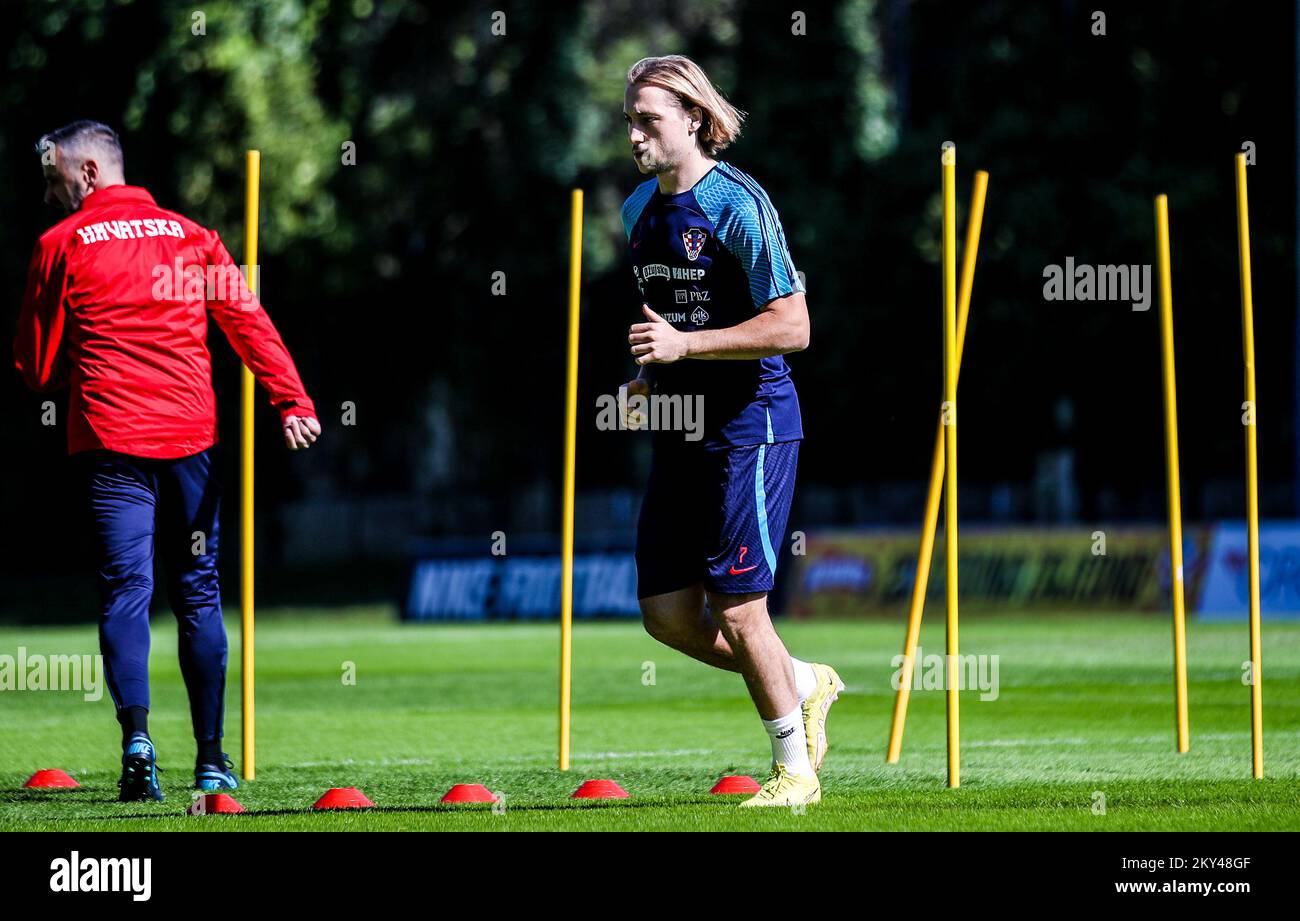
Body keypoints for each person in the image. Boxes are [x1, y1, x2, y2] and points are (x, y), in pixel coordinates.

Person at [13, 120, 321, 802]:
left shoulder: (58, 244)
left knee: (127, 590)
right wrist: (291, 400)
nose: (49, 195)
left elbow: (34, 369)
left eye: (54, 180)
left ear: (89, 172)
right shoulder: (190, 236)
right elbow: (246, 320)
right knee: (199, 592)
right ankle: (212, 756)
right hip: (191, 443)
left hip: (110, 440)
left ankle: (137, 741)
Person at [619, 57, 841, 807]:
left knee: (741, 607)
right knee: (668, 616)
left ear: (692, 119)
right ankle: (804, 680)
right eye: (629, 119)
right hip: (679, 428)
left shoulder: (739, 203)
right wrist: (649, 377)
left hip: (752, 423)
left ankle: (793, 772)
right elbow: (667, 323)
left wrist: (689, 348)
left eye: (648, 118)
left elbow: (794, 324)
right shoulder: (635, 213)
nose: (635, 133)